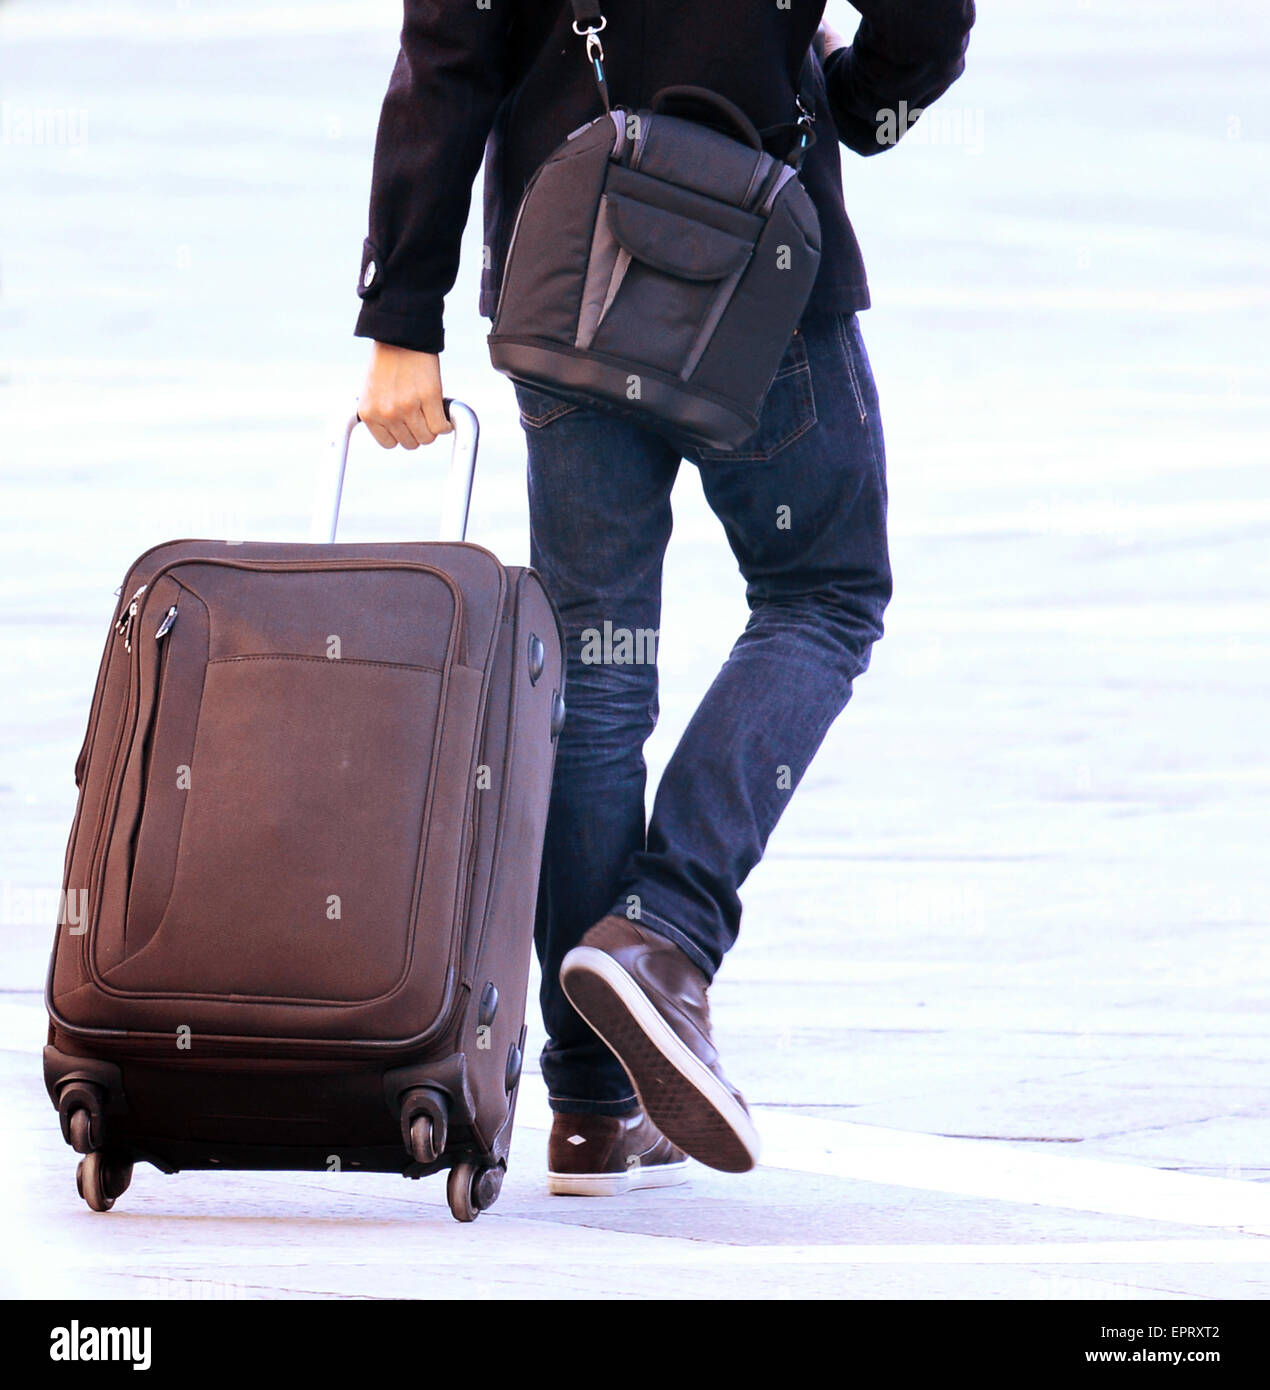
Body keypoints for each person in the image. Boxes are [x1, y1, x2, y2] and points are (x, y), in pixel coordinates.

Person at [355, 1, 975, 1195]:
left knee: (595, 678)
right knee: (824, 592)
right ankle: (668, 934)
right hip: (759, 255)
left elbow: (449, 47)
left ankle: (591, 1107)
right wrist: (863, 104)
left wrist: (400, 315)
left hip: (563, 258)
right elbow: (923, 13)